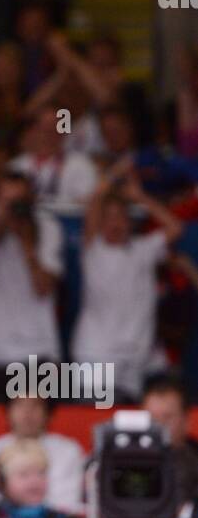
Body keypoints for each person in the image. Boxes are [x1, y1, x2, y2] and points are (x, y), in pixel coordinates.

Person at [71, 164, 182, 401]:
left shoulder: (144, 249)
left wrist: (140, 197)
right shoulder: (93, 249)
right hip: (96, 356)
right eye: (108, 218)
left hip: (136, 359)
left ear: (130, 222)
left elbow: (175, 228)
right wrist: (113, 174)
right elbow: (94, 202)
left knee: (132, 424)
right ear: (100, 223)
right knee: (92, 421)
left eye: (120, 217)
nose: (115, 223)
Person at [0, 169, 64, 401]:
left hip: (37, 354)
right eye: (7, 202)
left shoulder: (47, 227)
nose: (13, 210)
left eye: (19, 203)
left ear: (32, 201)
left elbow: (44, 288)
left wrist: (26, 242)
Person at [0, 393, 86, 514]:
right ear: (7, 411)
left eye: (35, 405)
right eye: (19, 405)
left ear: (48, 413)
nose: (27, 413)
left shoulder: (67, 451)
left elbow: (67, 506)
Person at [141, 373, 198, 507]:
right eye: (152, 418)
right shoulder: (121, 458)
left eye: (167, 418)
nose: (158, 426)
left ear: (185, 420)